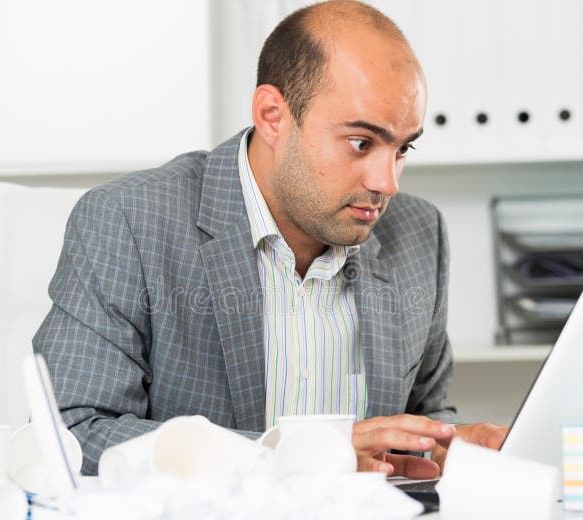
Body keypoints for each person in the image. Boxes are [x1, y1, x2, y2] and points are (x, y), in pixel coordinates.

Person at [33, 0, 506, 477]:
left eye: (402, 148)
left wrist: (446, 445)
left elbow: (423, 413)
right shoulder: (129, 222)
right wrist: (288, 457)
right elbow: (70, 433)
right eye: (361, 143)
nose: (387, 182)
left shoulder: (421, 234)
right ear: (272, 115)